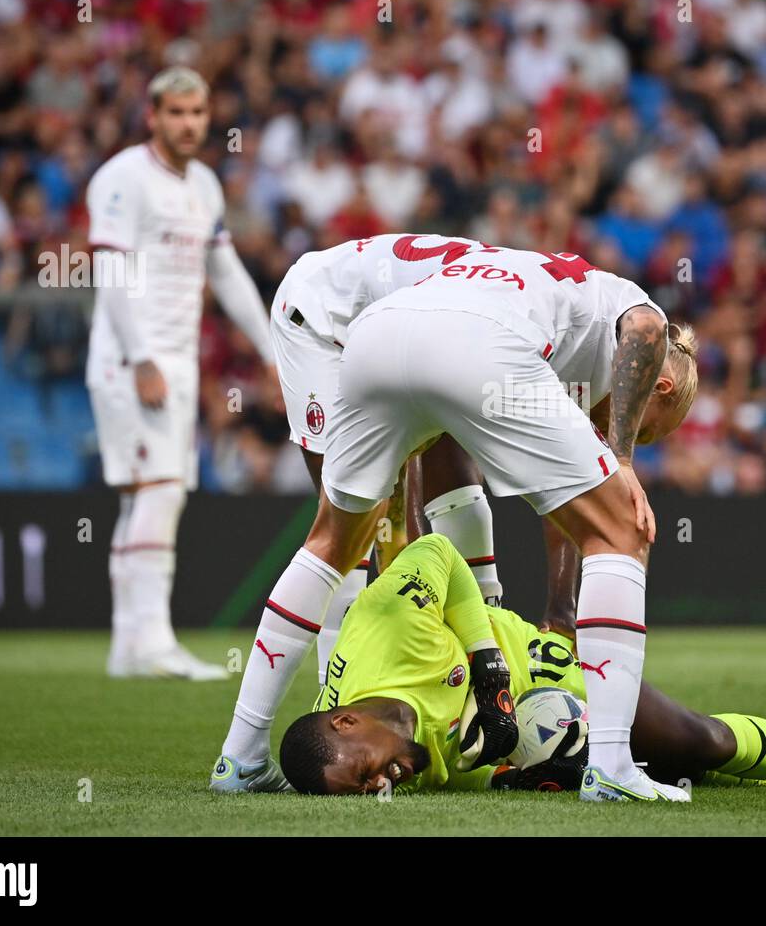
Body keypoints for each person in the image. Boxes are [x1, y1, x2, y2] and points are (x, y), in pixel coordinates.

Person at [213, 244, 699, 803]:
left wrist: (557, 607)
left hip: (375, 336)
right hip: (356, 324)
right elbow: (645, 325)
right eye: (650, 429)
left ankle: (241, 754)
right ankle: (612, 765)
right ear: (658, 387)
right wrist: (623, 458)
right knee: (623, 528)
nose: (633, 429)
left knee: (332, 541)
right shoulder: (627, 312)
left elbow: (551, 495)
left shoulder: (553, 297)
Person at [277, 533, 766, 796]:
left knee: (700, 742)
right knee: (674, 768)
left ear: (345, 719)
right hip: (535, 713)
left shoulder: (380, 633)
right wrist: (518, 772)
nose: (383, 784)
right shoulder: (398, 767)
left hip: (536, 663)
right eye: (368, 791)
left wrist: (491, 678)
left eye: (367, 772)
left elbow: (437, 554)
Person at [86, 66, 275, 679]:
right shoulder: (122, 178)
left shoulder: (204, 186)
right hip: (131, 357)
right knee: (163, 489)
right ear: (153, 115)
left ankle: (127, 646)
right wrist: (142, 358)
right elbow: (109, 273)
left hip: (177, 360)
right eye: (176, 112)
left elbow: (226, 275)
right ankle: (154, 642)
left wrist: (274, 350)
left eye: (198, 112)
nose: (189, 123)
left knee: (141, 495)